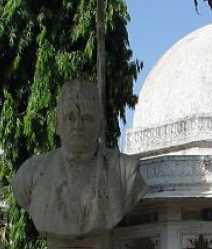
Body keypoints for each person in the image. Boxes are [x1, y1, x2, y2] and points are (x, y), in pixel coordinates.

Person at [11, 78, 148, 240]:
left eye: (87, 118)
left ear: (101, 126)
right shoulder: (29, 173)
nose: (78, 125)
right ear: (57, 124)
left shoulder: (126, 172)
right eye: (70, 117)